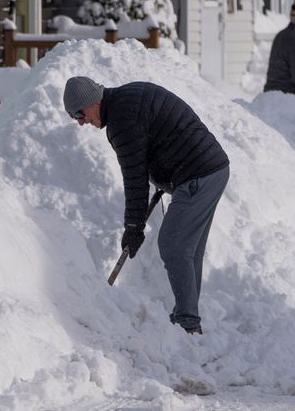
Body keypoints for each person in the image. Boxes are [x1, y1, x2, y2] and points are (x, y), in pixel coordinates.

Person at [64, 75, 230, 335]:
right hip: (209, 169)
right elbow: (156, 142)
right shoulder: (125, 100)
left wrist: (133, 226)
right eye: (75, 118)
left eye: (79, 114)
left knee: (173, 244)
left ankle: (188, 323)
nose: (81, 122)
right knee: (187, 249)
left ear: (91, 102)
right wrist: (165, 178)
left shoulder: (121, 120)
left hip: (199, 173)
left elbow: (134, 177)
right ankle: (189, 319)